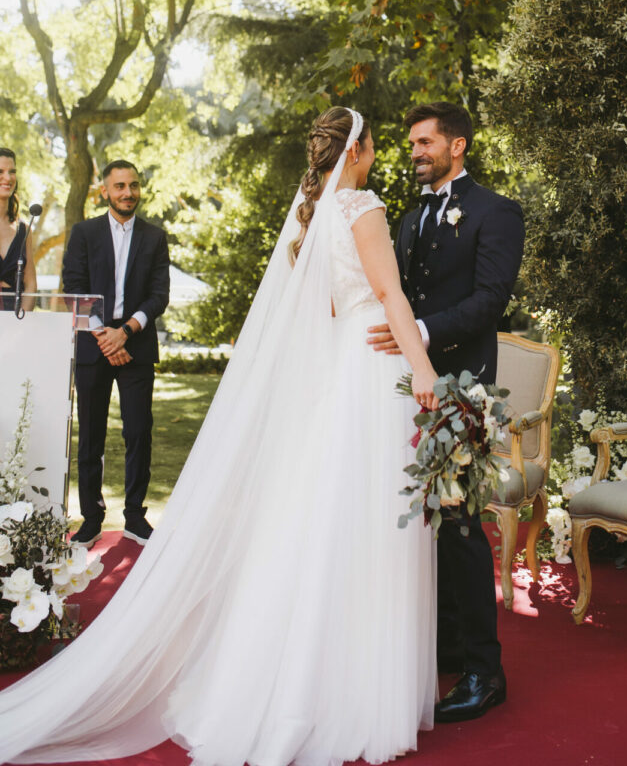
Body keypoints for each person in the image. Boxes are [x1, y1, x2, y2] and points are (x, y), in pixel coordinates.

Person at [0, 108, 438, 766]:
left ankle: (302, 676)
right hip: (372, 371)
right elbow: (392, 296)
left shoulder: (311, 217)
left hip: (343, 367)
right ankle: (355, 685)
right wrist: (426, 374)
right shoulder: (361, 205)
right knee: (368, 521)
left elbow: (322, 309)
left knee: (329, 519)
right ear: (362, 150)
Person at [368, 101, 524, 723]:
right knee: (423, 521)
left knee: (460, 527)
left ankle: (487, 673)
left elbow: (490, 302)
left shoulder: (496, 212)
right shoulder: (407, 218)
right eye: (410, 143)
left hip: (464, 388)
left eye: (425, 142)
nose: (414, 152)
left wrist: (422, 333)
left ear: (457, 146)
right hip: (408, 388)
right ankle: (446, 646)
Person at [62, 159, 170, 548]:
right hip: (94, 345)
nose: (128, 193)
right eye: (120, 186)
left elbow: (160, 296)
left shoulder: (155, 236)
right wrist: (106, 338)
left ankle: (135, 517)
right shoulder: (84, 233)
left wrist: (125, 332)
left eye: (134, 185)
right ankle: (91, 518)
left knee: (139, 431)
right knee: (90, 435)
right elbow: (72, 286)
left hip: (136, 345)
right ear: (105, 191)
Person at [0, 146, 37, 312]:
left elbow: (30, 285)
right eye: (0, 171)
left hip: (14, 315)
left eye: (12, 171)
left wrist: (21, 324)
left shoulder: (24, 229)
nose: (7, 178)